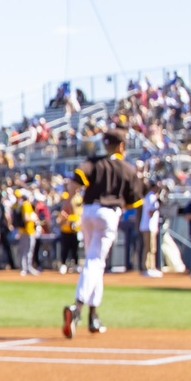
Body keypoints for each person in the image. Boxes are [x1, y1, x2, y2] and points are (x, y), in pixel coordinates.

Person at [63, 131, 145, 337]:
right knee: (95, 261)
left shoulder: (94, 162)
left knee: (96, 262)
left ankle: (93, 315)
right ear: (121, 146)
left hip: (88, 212)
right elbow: (134, 201)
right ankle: (77, 307)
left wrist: (68, 202)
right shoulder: (126, 168)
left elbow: (74, 182)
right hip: (108, 214)